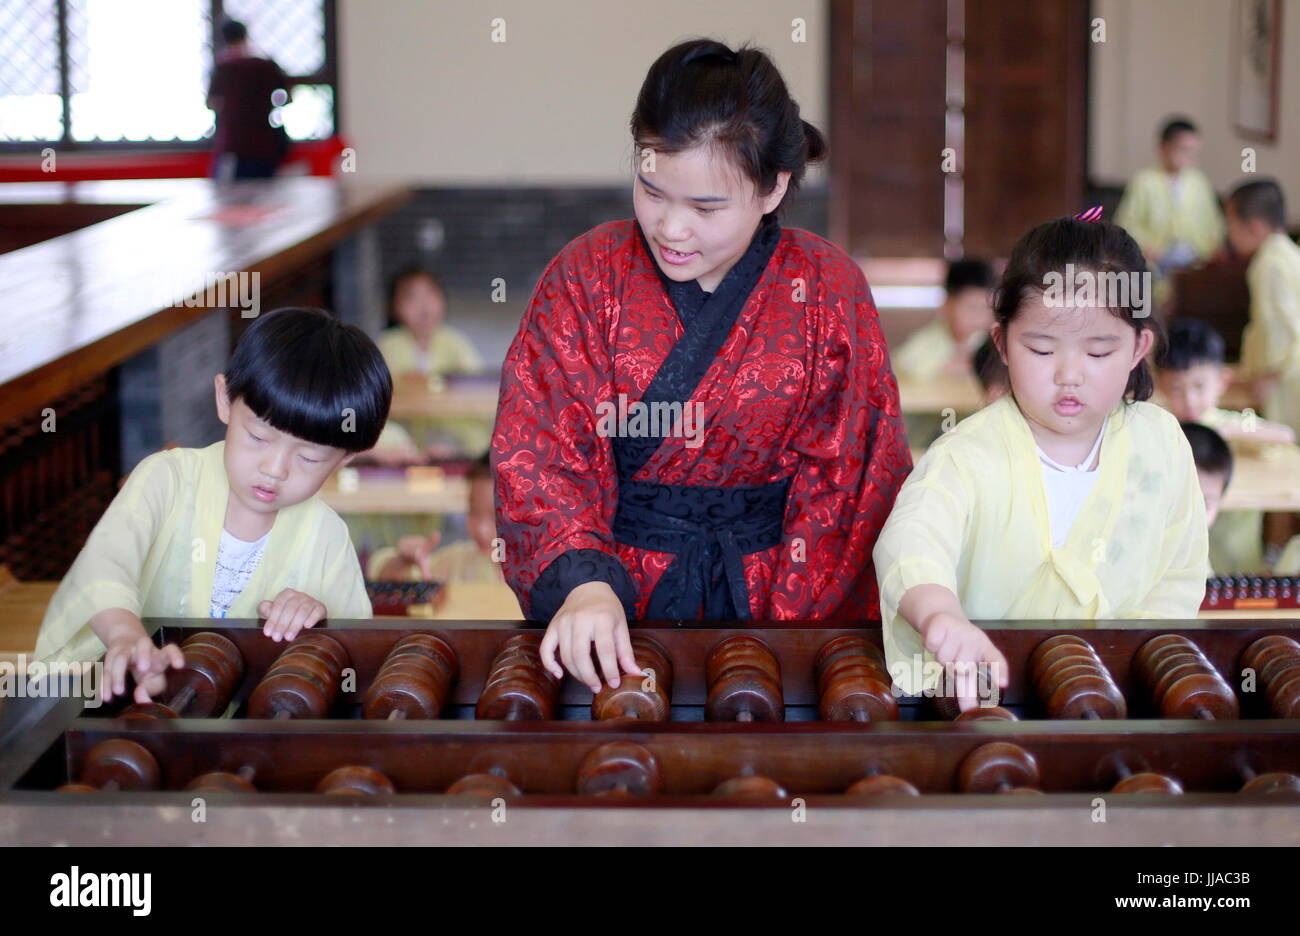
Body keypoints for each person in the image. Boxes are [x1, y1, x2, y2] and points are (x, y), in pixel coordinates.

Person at [492, 39, 911, 692]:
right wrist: (583, 585)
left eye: (706, 207)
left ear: (772, 189)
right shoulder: (585, 277)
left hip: (784, 601)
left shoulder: (829, 287)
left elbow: (854, 481)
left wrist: (795, 634)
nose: (671, 228)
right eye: (652, 190)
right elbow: (540, 448)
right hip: (615, 611)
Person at [873, 214, 1208, 711]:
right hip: (985, 699)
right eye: (1042, 348)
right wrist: (941, 614)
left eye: (1098, 352)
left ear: (1139, 347)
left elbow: (1177, 576)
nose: (1068, 375)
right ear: (1002, 343)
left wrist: (1136, 666)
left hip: (1116, 696)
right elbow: (912, 543)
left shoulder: (1160, 445)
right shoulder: (966, 455)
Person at [35, 309, 391, 702]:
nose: (274, 469)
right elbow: (104, 565)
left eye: (308, 459)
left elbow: (356, 659)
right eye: (258, 436)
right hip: (114, 704)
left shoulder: (327, 537)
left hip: (241, 732)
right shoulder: (166, 479)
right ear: (224, 400)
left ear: (343, 460)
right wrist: (124, 634)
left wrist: (319, 620)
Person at [1156, 317, 1292, 573]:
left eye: (1199, 386)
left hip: (1237, 559)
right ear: (1160, 385)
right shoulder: (1159, 425)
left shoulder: (1232, 422)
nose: (1190, 399)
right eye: (1176, 388)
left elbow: (1284, 435)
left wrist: (1226, 431)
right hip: (1179, 560)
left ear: (1222, 382)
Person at [1227, 179, 1300, 436]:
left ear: (1255, 227)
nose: (1229, 233)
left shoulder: (1268, 264)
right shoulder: (1290, 253)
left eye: (1232, 224)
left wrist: (1265, 376)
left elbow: (1276, 326)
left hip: (1286, 379)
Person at [1115, 116, 1224, 275]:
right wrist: (1151, 250)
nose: (1190, 157)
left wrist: (1212, 248)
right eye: (1183, 150)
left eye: (1194, 152)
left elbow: (1214, 225)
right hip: (1155, 262)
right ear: (1163, 147)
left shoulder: (1199, 182)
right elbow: (1126, 224)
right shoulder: (1143, 181)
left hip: (1196, 261)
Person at [207, 18, 292, 180]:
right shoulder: (266, 65)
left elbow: (212, 103)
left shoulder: (223, 68)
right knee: (266, 199)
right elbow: (287, 98)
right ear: (246, 35)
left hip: (233, 146)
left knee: (227, 199)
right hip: (266, 145)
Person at [891, 259, 997, 381]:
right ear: (947, 305)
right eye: (972, 308)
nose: (980, 317)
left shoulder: (988, 342)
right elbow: (903, 369)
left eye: (986, 308)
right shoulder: (926, 341)